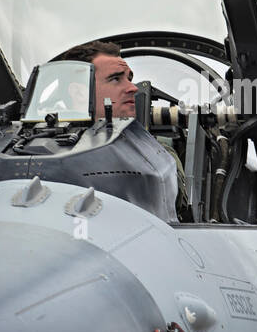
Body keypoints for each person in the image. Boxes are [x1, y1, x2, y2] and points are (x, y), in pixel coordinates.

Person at [52, 40, 188, 215]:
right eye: (116, 78)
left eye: (129, 78)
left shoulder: (157, 154)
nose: (132, 88)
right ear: (79, 92)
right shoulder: (32, 148)